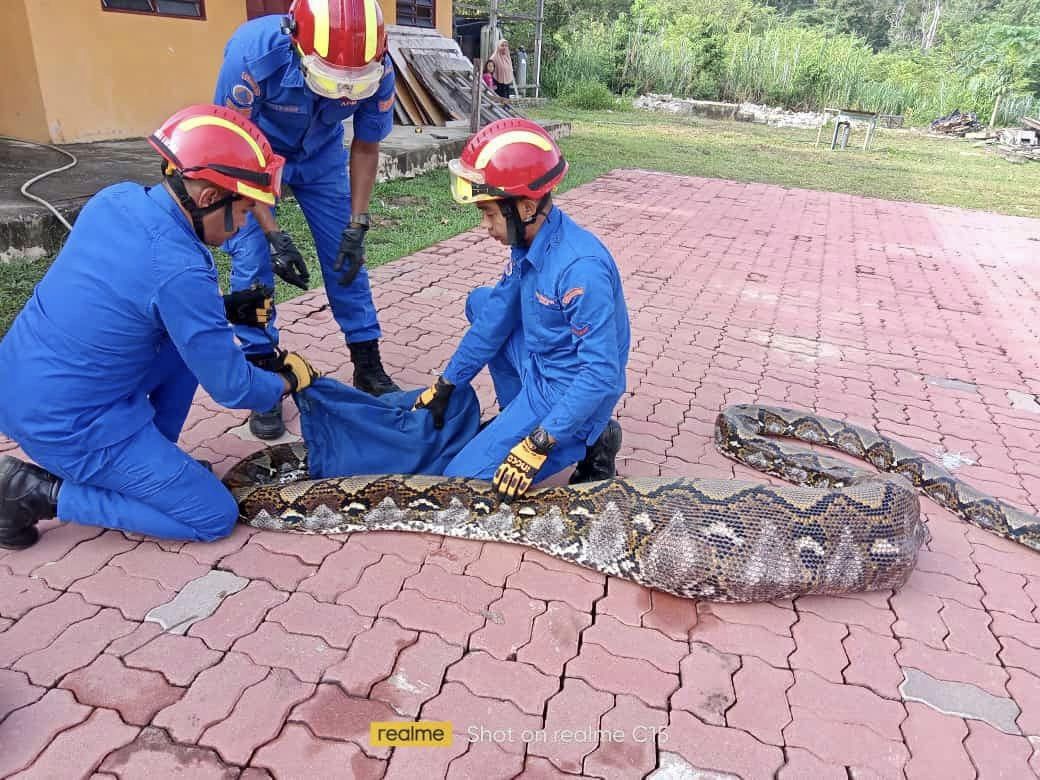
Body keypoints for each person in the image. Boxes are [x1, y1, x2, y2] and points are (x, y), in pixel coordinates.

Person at [0, 105, 319, 550]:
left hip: (26, 382)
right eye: (245, 210)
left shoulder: (118, 198)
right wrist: (287, 381)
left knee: (181, 347)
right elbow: (232, 389)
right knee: (213, 515)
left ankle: (150, 465)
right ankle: (38, 494)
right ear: (209, 198)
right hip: (67, 424)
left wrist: (225, 309)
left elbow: (125, 297)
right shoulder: (180, 270)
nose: (245, 224)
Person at [412, 118, 629, 500]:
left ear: (526, 207)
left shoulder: (580, 271)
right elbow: (495, 316)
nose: (485, 225)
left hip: (569, 389)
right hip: (542, 365)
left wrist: (538, 443)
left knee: (460, 481)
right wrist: (447, 383)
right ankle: (519, 417)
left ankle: (590, 439)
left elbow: (602, 374)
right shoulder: (529, 243)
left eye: (491, 214)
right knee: (482, 304)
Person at [214, 0, 401, 440]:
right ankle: (262, 378)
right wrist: (273, 233)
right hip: (255, 160)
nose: (340, 95)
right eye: (332, 82)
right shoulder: (250, 58)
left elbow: (367, 146)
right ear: (299, 44)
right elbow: (236, 153)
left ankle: (367, 363)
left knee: (346, 258)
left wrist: (358, 222)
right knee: (252, 264)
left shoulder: (378, 64)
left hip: (321, 159)